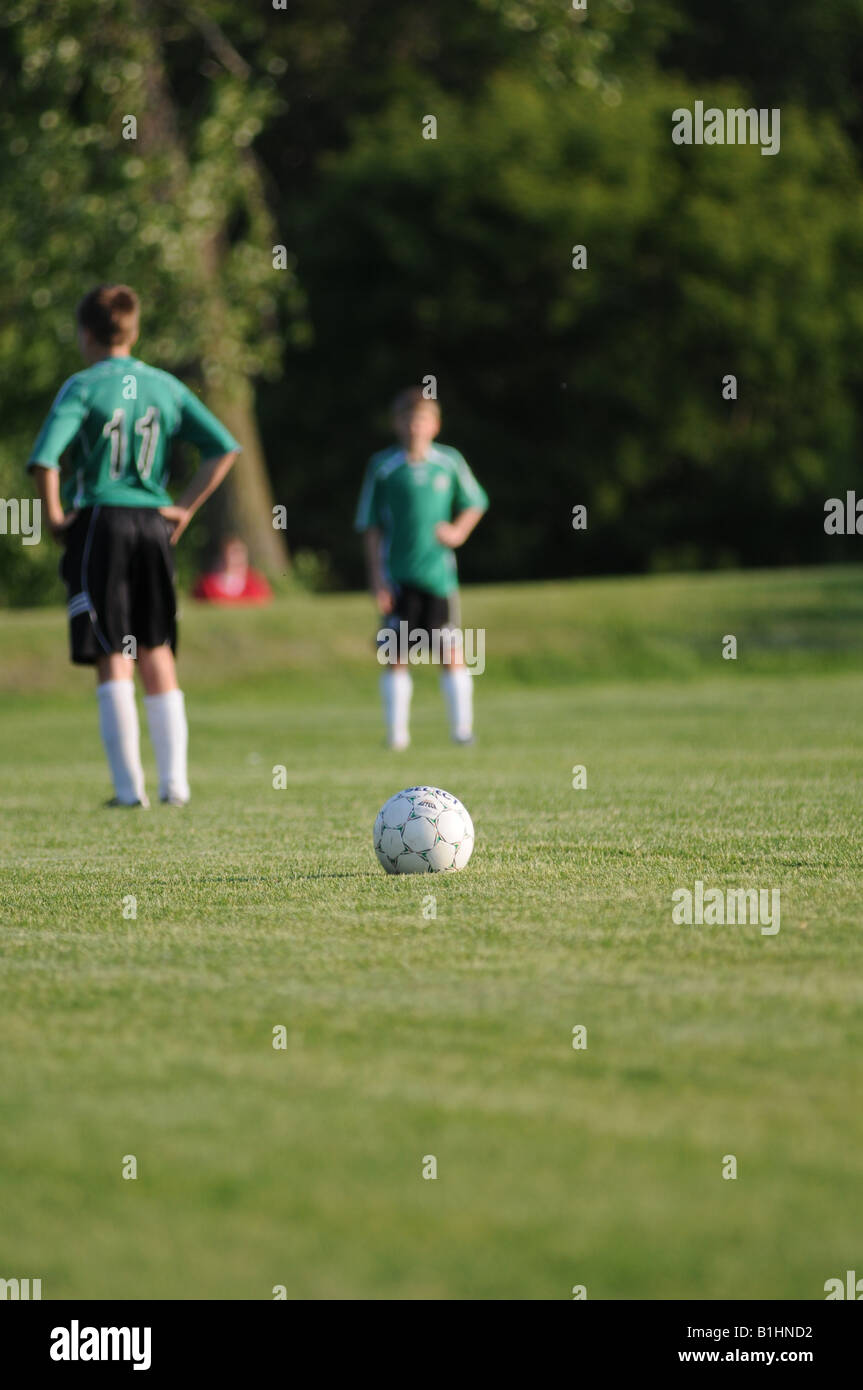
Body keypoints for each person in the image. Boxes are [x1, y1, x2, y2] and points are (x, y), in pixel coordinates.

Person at [27, 284, 240, 807]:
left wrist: (55, 517)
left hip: (102, 520)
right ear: (134, 329)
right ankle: (176, 785)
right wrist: (185, 505)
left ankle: (128, 791)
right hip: (152, 522)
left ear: (85, 334)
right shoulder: (165, 386)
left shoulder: (81, 386)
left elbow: (45, 460)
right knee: (156, 645)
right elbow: (223, 448)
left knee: (110, 649)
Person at [354, 388, 488, 749]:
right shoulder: (383, 467)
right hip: (397, 577)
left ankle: (462, 731)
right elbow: (369, 524)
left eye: (422, 419)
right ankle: (397, 736)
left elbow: (476, 500)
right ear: (397, 424)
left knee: (451, 650)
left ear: (435, 424)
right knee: (396, 654)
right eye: (408, 419)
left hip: (438, 577)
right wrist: (377, 577)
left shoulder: (448, 462)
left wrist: (458, 530)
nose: (415, 426)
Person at [193, 535, 272, 604]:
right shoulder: (207, 585)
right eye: (234, 553)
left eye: (240, 552)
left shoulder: (255, 582)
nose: (238, 558)